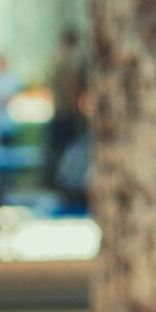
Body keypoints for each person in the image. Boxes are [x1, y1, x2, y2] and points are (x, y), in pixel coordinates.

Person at [42, 28, 91, 211]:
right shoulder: (72, 59)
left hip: (59, 111)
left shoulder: (55, 57)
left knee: (60, 152)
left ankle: (60, 185)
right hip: (68, 113)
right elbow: (73, 86)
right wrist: (77, 109)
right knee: (71, 152)